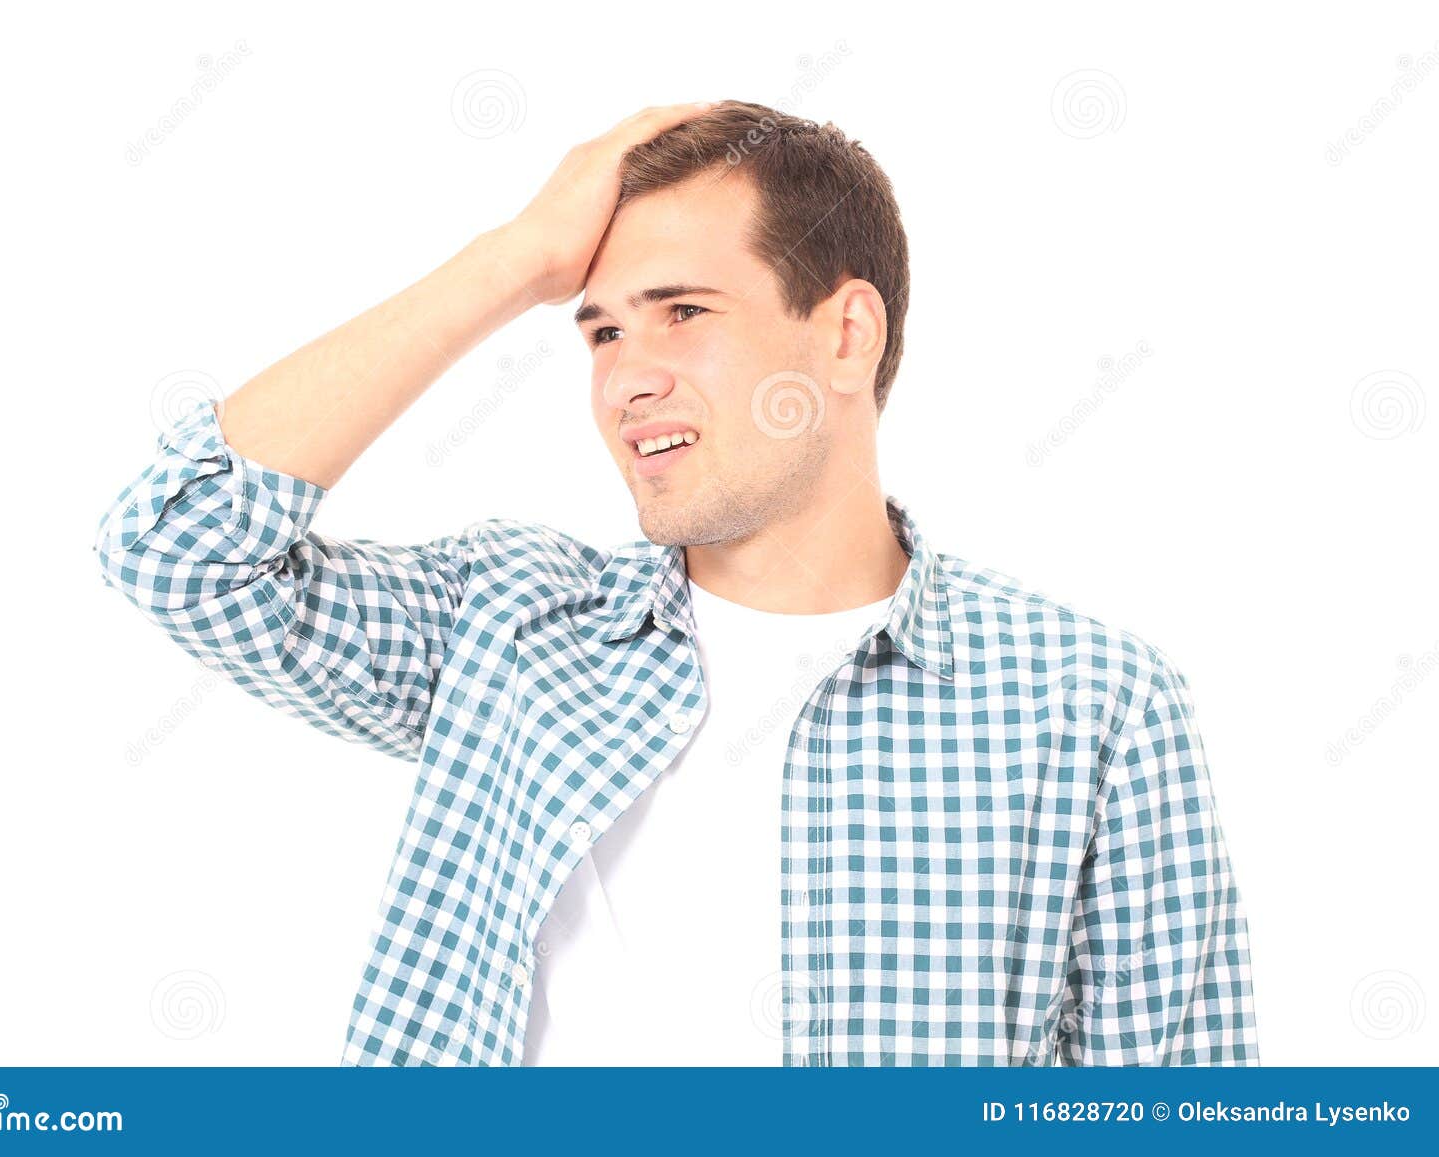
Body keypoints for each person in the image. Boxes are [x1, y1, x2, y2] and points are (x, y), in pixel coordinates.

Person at [94, 99, 1257, 1066]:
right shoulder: (507, 622)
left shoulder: (1093, 701)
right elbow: (178, 542)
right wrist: (515, 262)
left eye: (683, 314)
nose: (625, 380)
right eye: (599, 334)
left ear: (847, 335)